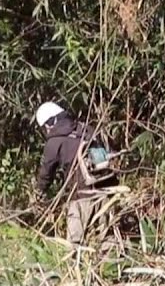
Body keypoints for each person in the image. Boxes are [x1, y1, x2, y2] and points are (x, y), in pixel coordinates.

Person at [35, 101, 116, 244]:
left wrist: (39, 192)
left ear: (49, 123)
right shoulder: (87, 129)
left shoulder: (54, 142)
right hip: (106, 193)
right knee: (107, 243)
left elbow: (46, 174)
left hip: (80, 197)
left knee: (74, 246)